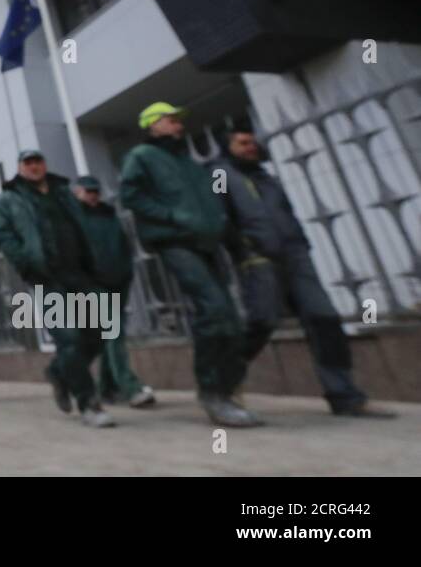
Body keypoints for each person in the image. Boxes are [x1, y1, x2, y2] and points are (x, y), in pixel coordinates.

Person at [214, 126, 394, 419]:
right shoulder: (219, 174)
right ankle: (223, 380)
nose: (251, 147)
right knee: (262, 320)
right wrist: (242, 247)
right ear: (228, 147)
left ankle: (345, 395)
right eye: (243, 143)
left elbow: (287, 213)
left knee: (324, 318)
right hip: (257, 257)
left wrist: (300, 242)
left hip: (295, 255)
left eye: (252, 142)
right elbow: (218, 213)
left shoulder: (267, 177)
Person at [119, 102, 258, 427]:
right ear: (152, 124)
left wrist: (221, 223)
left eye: (177, 120)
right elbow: (131, 195)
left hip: (206, 242)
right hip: (175, 242)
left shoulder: (188, 161)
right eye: (170, 120)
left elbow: (209, 196)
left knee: (230, 317)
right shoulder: (142, 156)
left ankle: (225, 388)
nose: (178, 125)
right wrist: (173, 216)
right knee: (214, 310)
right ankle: (213, 393)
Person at [0, 152, 115, 428]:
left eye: (38, 162)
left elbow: (83, 225)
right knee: (69, 339)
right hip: (47, 278)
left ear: (45, 165)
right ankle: (89, 403)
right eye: (28, 163)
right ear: (20, 168)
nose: (34, 167)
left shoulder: (63, 192)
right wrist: (26, 264)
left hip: (79, 274)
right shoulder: (7, 200)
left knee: (98, 333)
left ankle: (59, 372)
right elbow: (4, 237)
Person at [72, 175, 155, 409]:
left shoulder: (109, 215)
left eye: (95, 191)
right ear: (77, 193)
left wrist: (126, 271)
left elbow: (123, 245)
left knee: (110, 335)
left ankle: (107, 389)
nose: (93, 195)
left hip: (119, 280)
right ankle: (131, 388)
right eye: (87, 191)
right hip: (93, 284)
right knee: (114, 331)